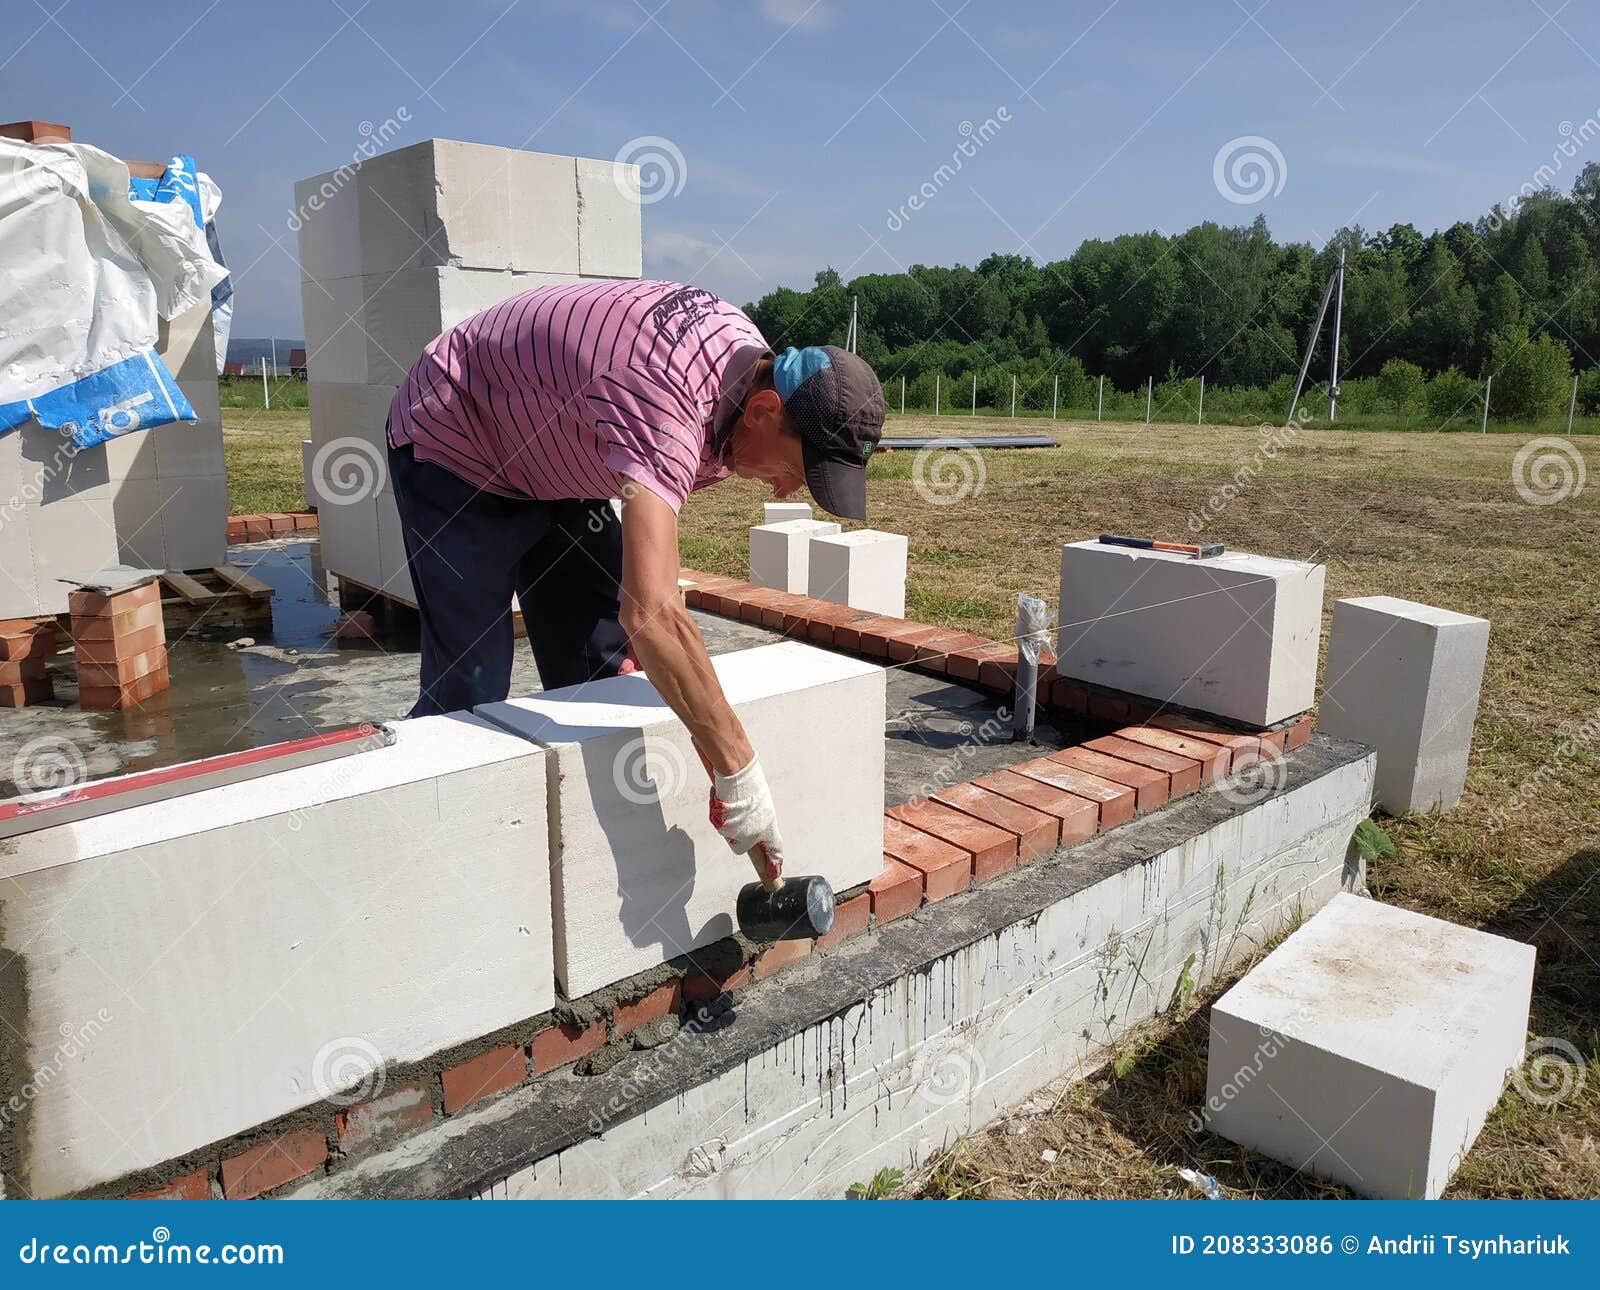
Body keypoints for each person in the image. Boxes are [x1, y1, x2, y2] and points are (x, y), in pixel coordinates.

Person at [385, 278, 884, 887]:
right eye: (798, 471)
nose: (787, 490)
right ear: (763, 411)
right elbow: (651, 611)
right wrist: (740, 774)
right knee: (470, 695)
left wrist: (714, 751)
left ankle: (589, 867)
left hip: (554, 455)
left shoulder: (749, 367)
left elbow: (652, 618)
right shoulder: (665, 402)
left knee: (603, 669)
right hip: (455, 436)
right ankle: (423, 864)